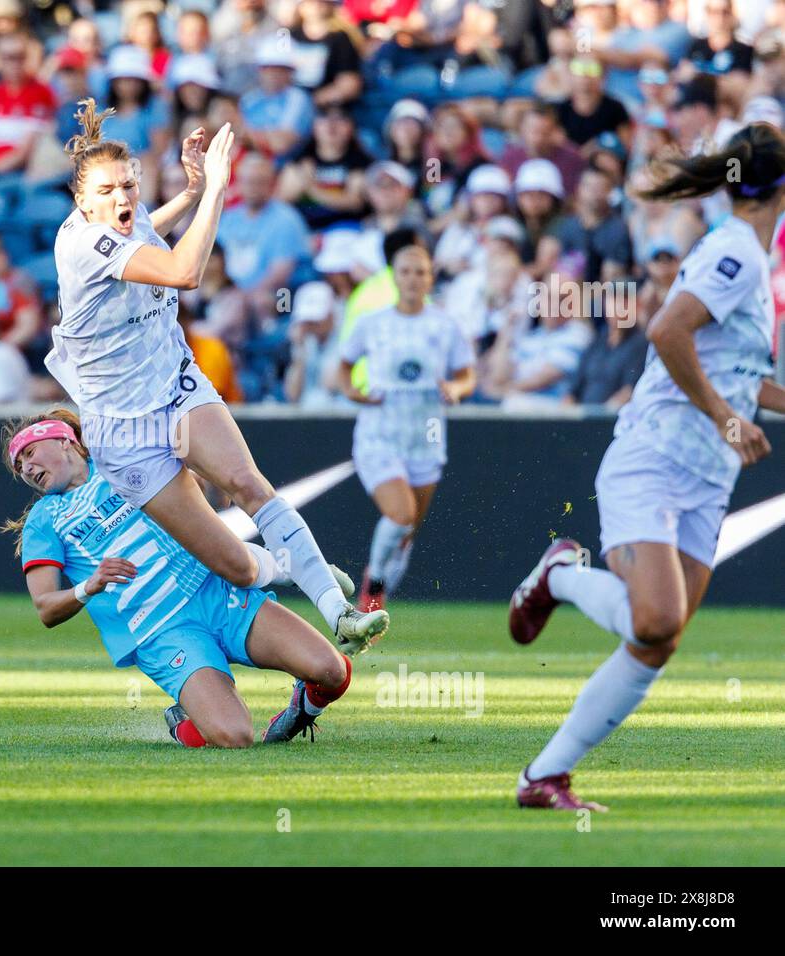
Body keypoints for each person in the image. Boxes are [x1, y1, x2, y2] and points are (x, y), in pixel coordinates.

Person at [507, 122, 785, 811]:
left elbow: (741, 372)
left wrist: (741, 407)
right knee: (654, 621)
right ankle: (561, 575)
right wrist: (727, 416)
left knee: (658, 640)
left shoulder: (745, 252)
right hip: (655, 456)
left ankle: (544, 777)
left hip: (707, 476)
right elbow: (666, 331)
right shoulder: (740, 257)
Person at [47, 98, 387, 650]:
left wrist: (190, 191)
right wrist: (218, 189)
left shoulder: (121, 225)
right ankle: (299, 568)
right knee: (234, 564)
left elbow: (146, 234)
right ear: (81, 202)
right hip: (123, 431)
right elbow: (185, 271)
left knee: (248, 485)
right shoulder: (83, 243)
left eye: (128, 185)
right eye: (106, 192)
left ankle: (337, 609)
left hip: (175, 384)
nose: (122, 198)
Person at [2, 409, 375, 747]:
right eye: (18, 467)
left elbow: (188, 479)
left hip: (215, 593)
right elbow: (45, 608)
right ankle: (185, 717)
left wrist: (198, 480)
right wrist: (89, 585)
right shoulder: (45, 519)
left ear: (64, 439)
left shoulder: (121, 461)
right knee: (236, 737)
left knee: (333, 672)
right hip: (160, 631)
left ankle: (301, 707)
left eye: (29, 453)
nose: (25, 469)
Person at [337, 243, 476, 612]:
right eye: (406, 271)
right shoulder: (373, 322)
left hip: (426, 437)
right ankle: (374, 585)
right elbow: (343, 367)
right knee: (400, 514)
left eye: (421, 272)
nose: (413, 279)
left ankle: (376, 607)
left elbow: (467, 375)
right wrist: (354, 392)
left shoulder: (444, 325)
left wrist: (455, 389)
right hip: (379, 434)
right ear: (395, 277)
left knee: (406, 533)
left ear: (431, 278)